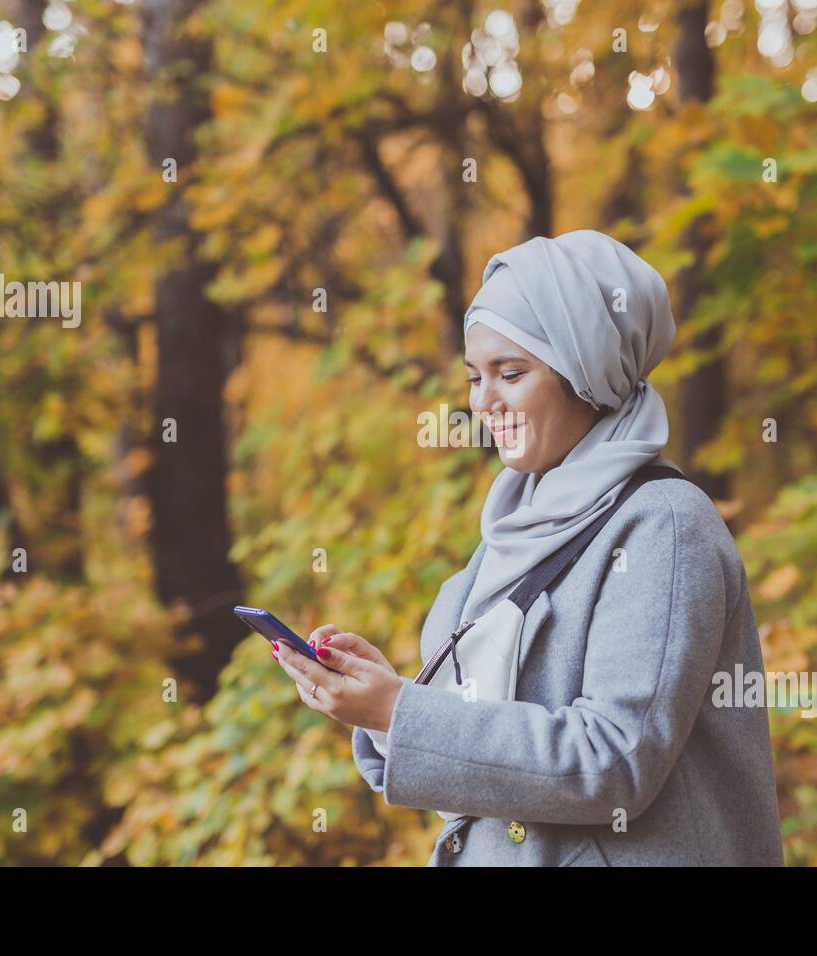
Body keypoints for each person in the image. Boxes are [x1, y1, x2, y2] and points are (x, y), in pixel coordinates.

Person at [271, 229, 784, 866]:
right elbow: (488, 750)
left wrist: (403, 711)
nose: (484, 401)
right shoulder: (511, 531)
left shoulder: (664, 524)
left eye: (511, 373)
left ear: (586, 374)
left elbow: (615, 761)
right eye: (473, 377)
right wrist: (384, 705)